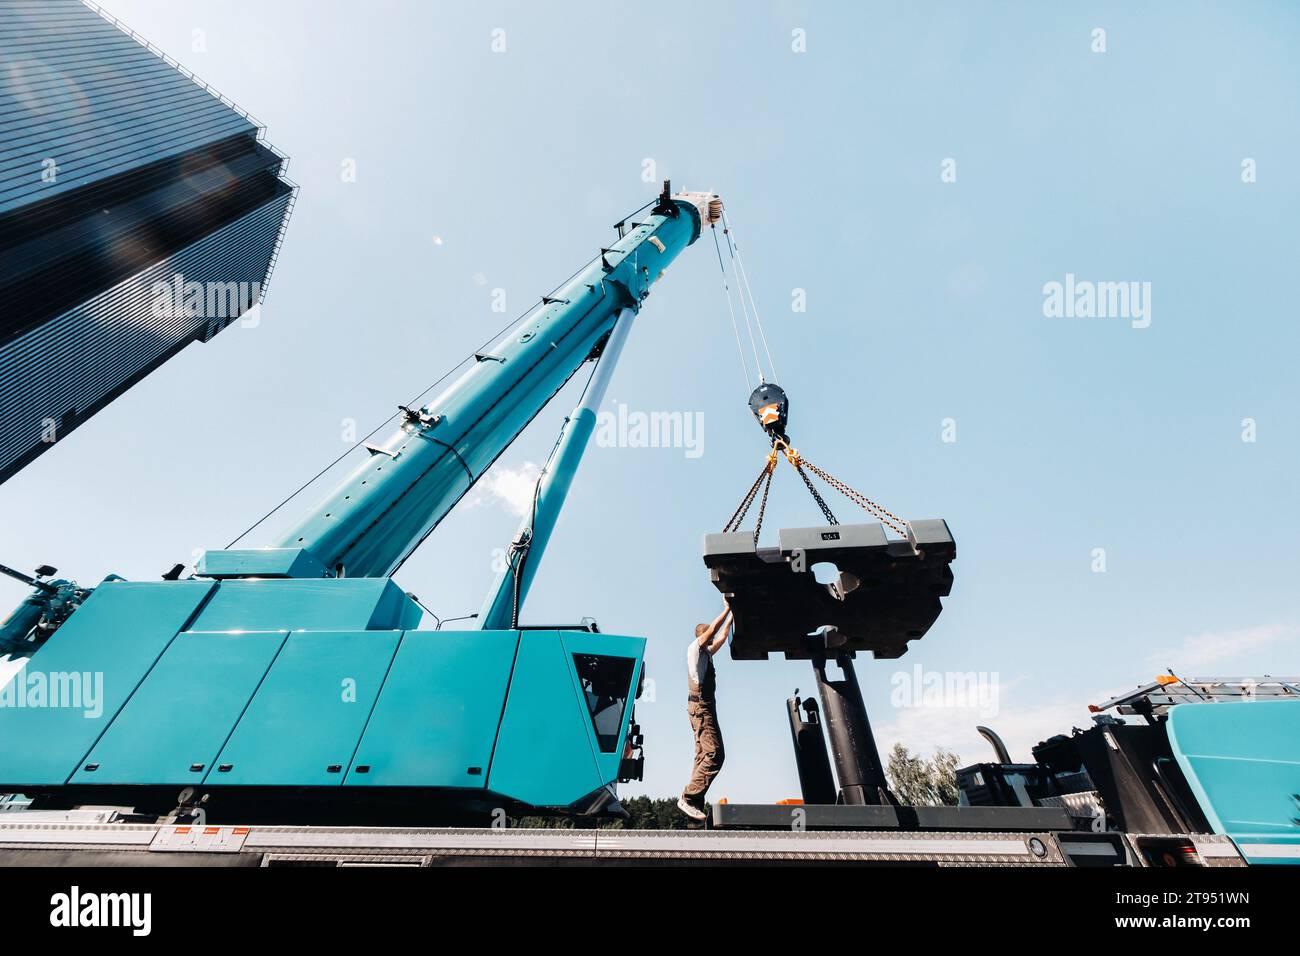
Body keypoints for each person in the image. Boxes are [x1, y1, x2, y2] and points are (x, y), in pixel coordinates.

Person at [678, 603, 732, 821]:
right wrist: (727, 609)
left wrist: (734, 614)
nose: (712, 637)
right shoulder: (695, 648)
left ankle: (694, 803)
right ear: (701, 635)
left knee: (703, 755)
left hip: (705, 707)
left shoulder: (707, 653)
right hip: (701, 707)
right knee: (715, 754)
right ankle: (689, 798)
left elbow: (723, 633)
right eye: (708, 634)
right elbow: (714, 631)